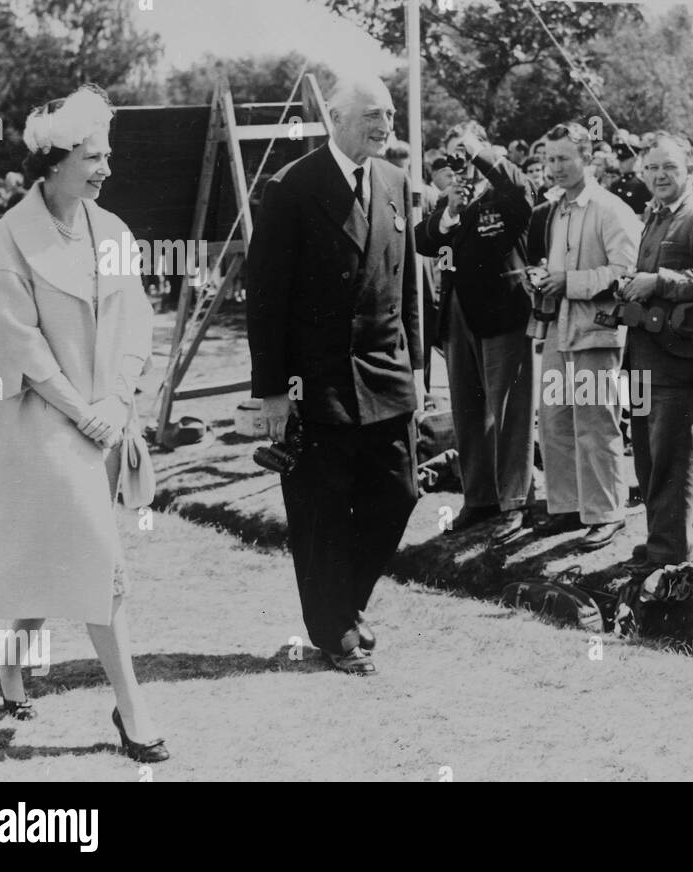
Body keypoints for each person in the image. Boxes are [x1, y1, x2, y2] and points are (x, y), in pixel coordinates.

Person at [0, 85, 167, 762]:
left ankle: (7, 662)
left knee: (64, 552)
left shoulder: (110, 232)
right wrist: (83, 412)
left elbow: (137, 320)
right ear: (51, 162)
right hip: (40, 420)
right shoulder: (6, 241)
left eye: (106, 153)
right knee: (95, 553)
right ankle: (133, 708)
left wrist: (117, 397)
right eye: (91, 155)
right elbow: (18, 347)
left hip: (103, 417)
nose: (105, 167)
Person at [246, 74, 421, 676]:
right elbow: (264, 297)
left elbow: (407, 286)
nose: (386, 126)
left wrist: (416, 366)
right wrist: (271, 390)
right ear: (338, 119)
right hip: (314, 383)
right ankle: (335, 630)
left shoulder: (395, 182)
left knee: (400, 493)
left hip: (386, 373)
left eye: (392, 116)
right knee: (321, 509)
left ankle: (344, 606)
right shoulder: (291, 186)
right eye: (374, 115)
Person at [416, 121, 536, 544]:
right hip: (458, 316)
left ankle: (515, 501)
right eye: (453, 156)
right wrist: (449, 209)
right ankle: (480, 497)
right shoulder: (457, 199)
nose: (460, 164)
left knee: (509, 414)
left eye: (465, 154)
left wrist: (480, 154)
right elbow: (423, 240)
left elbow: (524, 192)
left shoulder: (506, 191)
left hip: (502, 314)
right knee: (469, 413)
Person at [620, 136, 693, 568]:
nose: (660, 176)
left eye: (669, 167)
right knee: (649, 457)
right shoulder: (655, 214)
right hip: (646, 354)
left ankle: (672, 553)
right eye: (652, 168)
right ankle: (660, 541)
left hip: (682, 360)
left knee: (674, 459)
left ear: (689, 168)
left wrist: (659, 281)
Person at [527, 122, 640, 549]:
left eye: (562, 159)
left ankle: (607, 511)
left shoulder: (610, 208)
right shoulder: (556, 208)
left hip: (597, 330)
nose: (553, 167)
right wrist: (542, 280)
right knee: (555, 421)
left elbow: (625, 273)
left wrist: (569, 282)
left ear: (587, 159)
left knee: (596, 423)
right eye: (548, 159)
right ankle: (568, 506)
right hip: (559, 328)